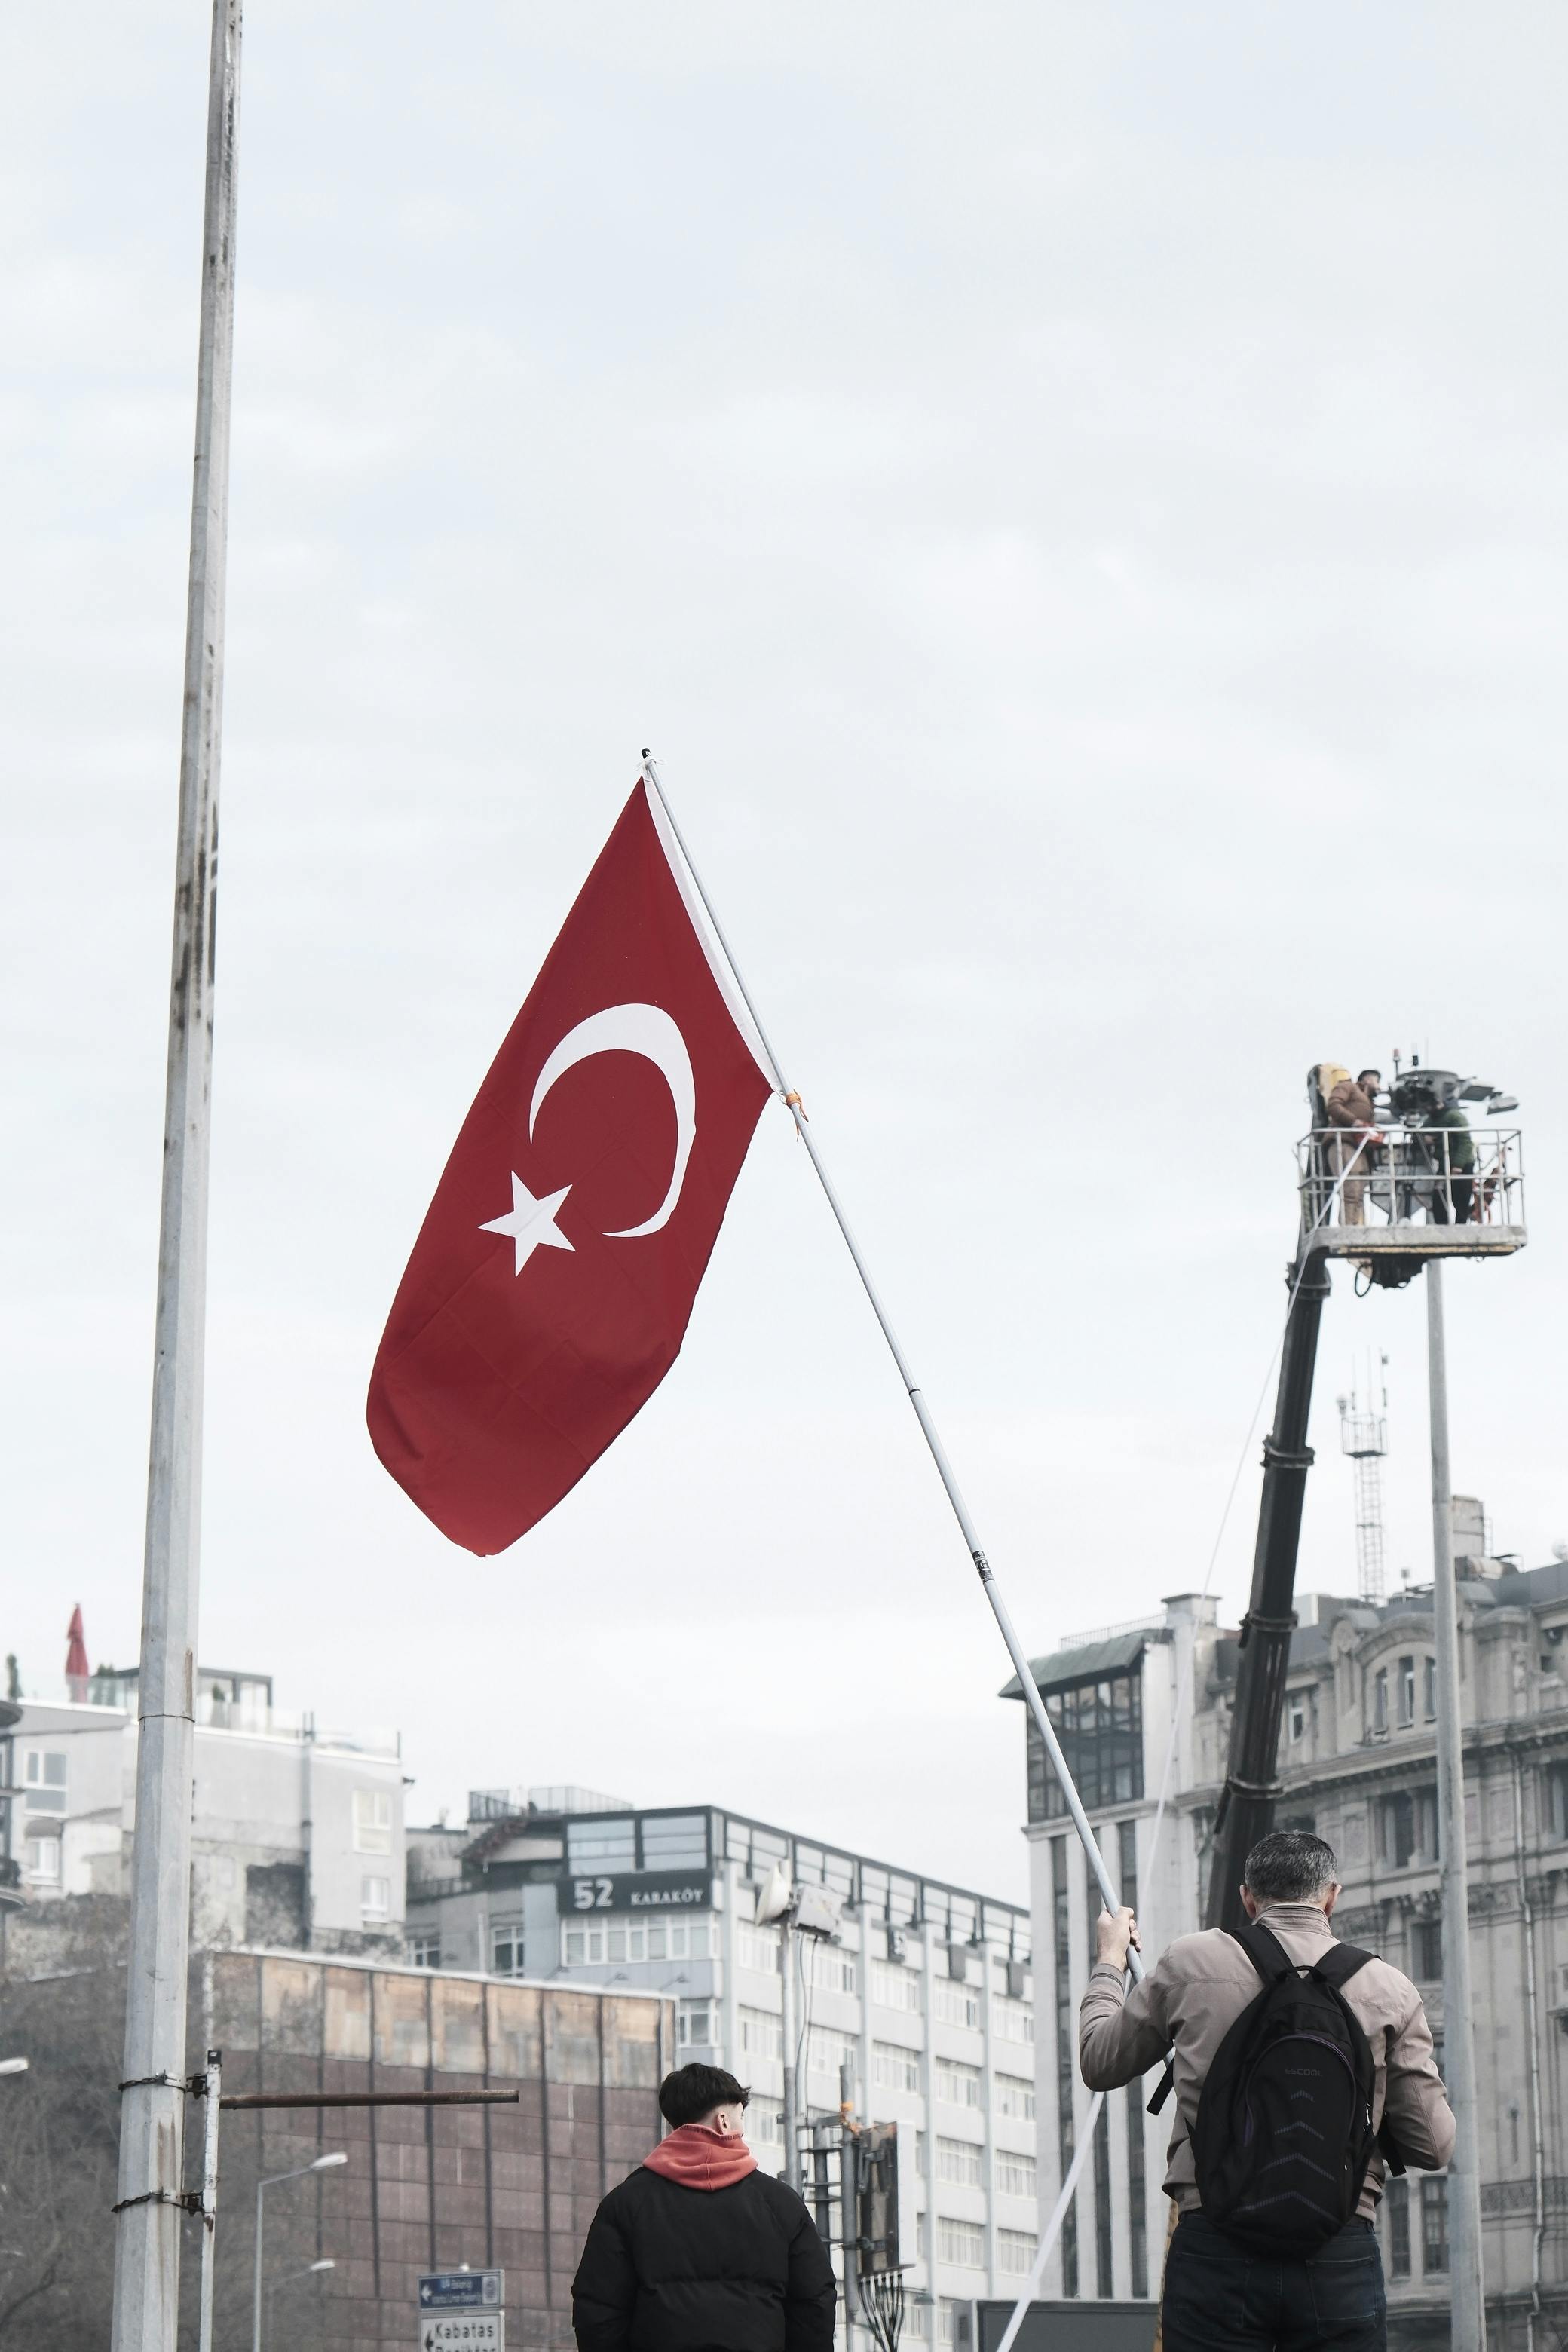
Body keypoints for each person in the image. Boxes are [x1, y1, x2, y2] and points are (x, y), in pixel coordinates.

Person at [1080, 1830, 1453, 2352]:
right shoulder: (1388, 1989)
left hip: (1215, 2246)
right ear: (1331, 1897)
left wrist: (1110, 1959)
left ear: (1248, 1899)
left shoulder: (1189, 1962)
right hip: (1339, 2251)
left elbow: (1099, 2062)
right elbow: (1432, 2147)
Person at [571, 2062, 837, 2352]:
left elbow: (598, 2309)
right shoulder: (781, 2203)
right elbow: (815, 2303)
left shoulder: (625, 2203)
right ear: (724, 2121)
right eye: (741, 2117)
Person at [1325, 1068, 1383, 1225]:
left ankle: (1358, 1227)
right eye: (1377, 1082)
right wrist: (1354, 1122)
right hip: (1343, 1143)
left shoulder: (1369, 1103)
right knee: (1351, 1190)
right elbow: (1334, 1105)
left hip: (1360, 1147)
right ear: (1368, 1079)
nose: (1379, 1087)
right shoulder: (1348, 1087)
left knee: (1360, 1190)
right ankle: (1348, 1228)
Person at [1423, 1089, 1476, 1225]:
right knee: (1439, 1199)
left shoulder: (1455, 1117)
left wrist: (1458, 1166)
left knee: (1461, 1199)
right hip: (1444, 1164)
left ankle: (1461, 1226)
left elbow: (1465, 1142)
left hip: (1462, 1165)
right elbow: (1419, 1134)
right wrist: (1424, 1139)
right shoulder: (1431, 1120)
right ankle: (1442, 1226)